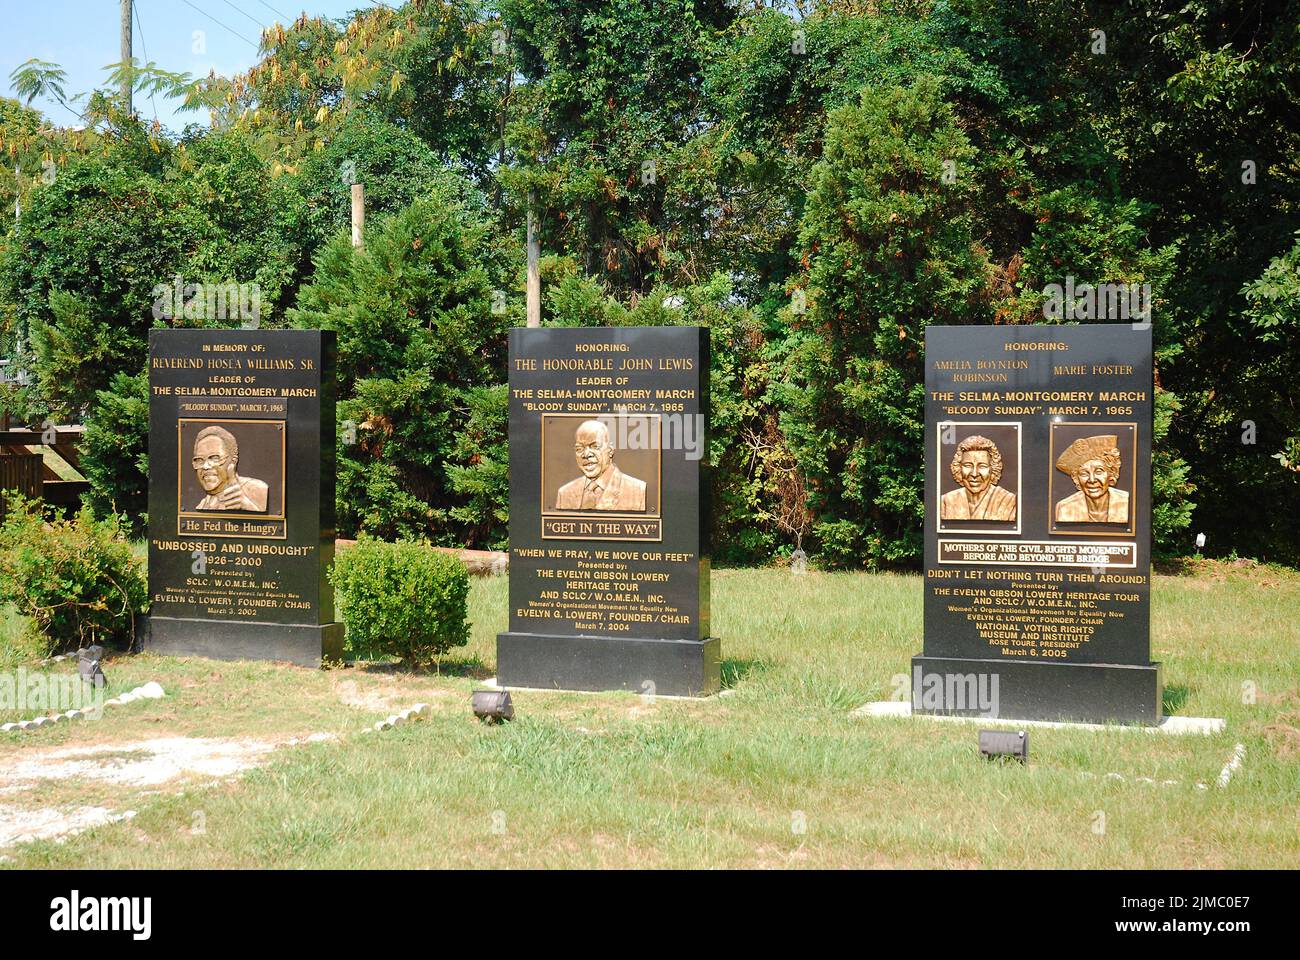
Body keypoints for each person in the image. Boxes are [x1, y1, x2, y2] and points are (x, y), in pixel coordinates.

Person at [555, 420, 646, 511]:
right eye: (579, 449)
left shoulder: (638, 491)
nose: (586, 454)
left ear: (610, 451)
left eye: (595, 446)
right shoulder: (564, 494)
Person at [191, 425, 269, 512]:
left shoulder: (258, 490)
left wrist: (247, 506)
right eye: (199, 460)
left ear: (233, 460)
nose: (205, 466)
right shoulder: (203, 505)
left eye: (214, 458)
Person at [940, 434, 1017, 521]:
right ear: (958, 467)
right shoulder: (946, 501)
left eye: (982, 466)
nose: (974, 474)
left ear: (993, 468)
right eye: (968, 465)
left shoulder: (1008, 501)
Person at [1054, 434, 1129, 523]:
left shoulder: (1125, 502)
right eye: (1084, 473)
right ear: (1076, 479)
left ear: (1112, 474)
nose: (1092, 480)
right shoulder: (1065, 508)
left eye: (1099, 472)